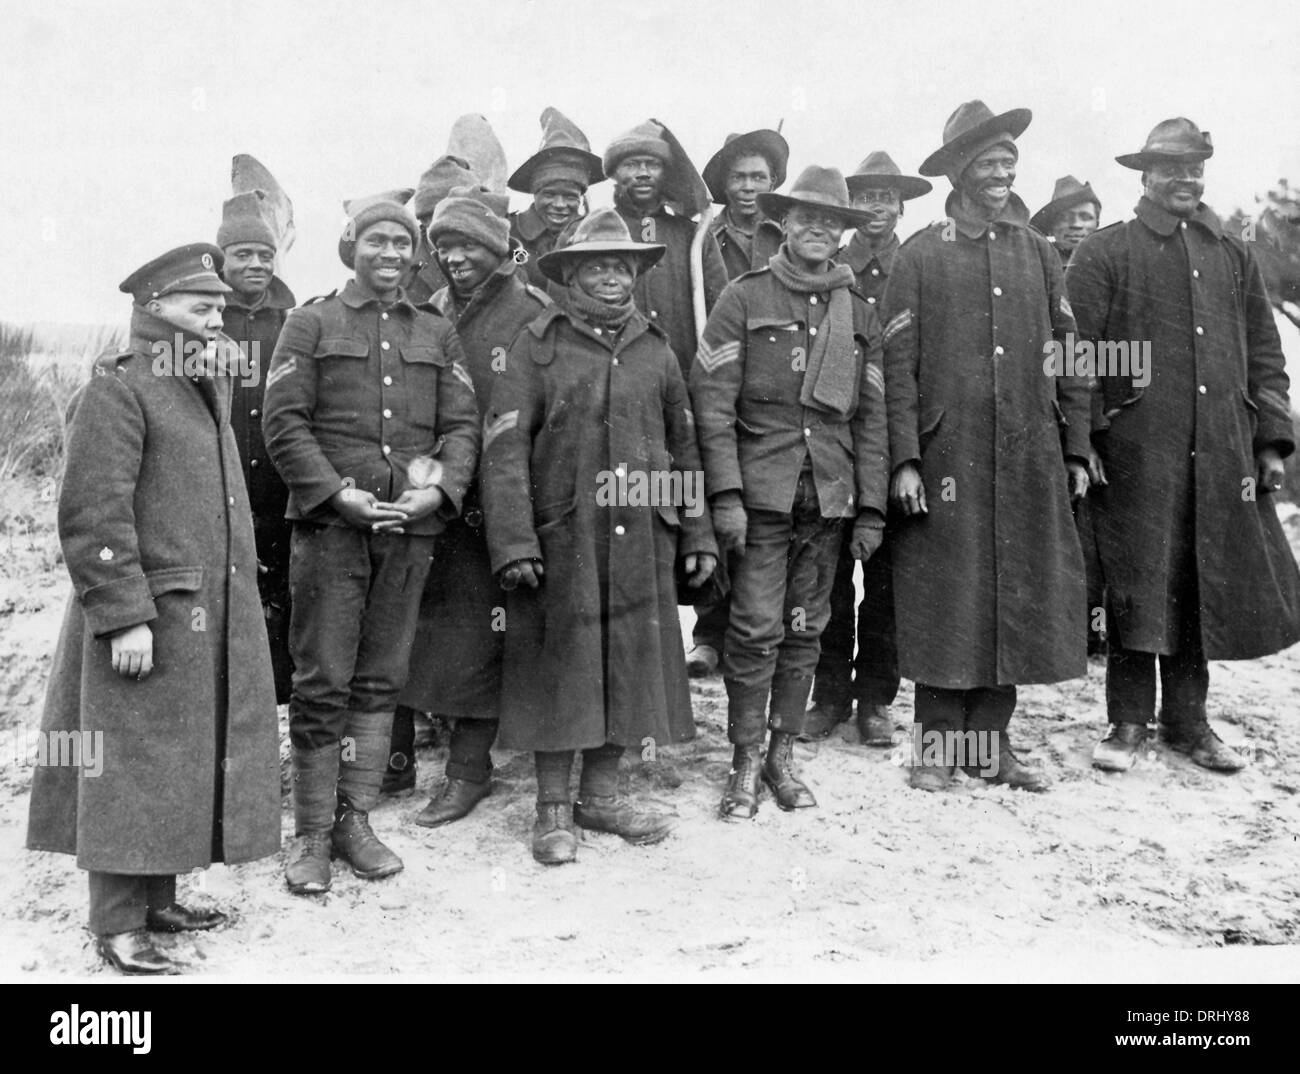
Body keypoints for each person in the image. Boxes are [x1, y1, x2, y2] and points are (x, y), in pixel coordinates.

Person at [26, 245, 282, 974]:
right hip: (144, 617)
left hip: (197, 615)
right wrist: (123, 614)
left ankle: (157, 901)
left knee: (180, 762)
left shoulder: (200, 383)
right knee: (128, 767)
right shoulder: (122, 385)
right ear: (154, 308)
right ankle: (114, 925)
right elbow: (92, 514)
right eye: (201, 309)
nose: (216, 321)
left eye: (221, 309)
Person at [481, 208, 717, 864]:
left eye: (622, 266)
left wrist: (696, 532)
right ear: (571, 277)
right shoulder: (537, 344)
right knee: (564, 669)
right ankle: (554, 808)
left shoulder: (657, 348)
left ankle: (603, 796)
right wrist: (516, 541)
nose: (613, 278)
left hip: (642, 537)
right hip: (565, 539)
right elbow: (502, 448)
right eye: (597, 266)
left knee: (628, 664)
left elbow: (685, 446)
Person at [1067, 117, 1300, 774]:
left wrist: (1270, 444)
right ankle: (1128, 722)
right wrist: (1083, 444)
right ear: (1145, 174)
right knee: (1140, 581)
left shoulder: (1230, 252)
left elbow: (1265, 353)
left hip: (1221, 450)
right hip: (1137, 453)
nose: (1186, 178)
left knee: (1201, 578)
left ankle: (1190, 722)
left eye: (1196, 166)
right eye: (1172, 167)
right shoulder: (1107, 252)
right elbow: (1072, 355)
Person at [263, 192, 480, 894]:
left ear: (415, 254)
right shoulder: (309, 322)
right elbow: (284, 424)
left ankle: (355, 818)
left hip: (409, 533)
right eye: (376, 241)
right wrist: (336, 495)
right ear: (351, 245)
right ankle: (312, 835)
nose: (390, 254)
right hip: (331, 532)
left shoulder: (436, 332)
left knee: (382, 678)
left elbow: (462, 427)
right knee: (322, 681)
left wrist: (437, 490)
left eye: (401, 243)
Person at [883, 100, 1092, 792]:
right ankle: (938, 750)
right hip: (949, 460)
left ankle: (991, 747)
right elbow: (896, 367)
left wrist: (1075, 447)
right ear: (959, 171)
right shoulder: (920, 255)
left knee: (1014, 595)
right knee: (950, 598)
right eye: (989, 161)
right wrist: (906, 458)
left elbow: (1070, 354)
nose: (1003, 171)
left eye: (1010, 160)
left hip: (1027, 454)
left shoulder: (1035, 251)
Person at [691, 166, 889, 819]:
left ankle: (783, 757)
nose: (817, 230)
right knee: (752, 630)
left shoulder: (858, 312)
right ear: (785, 224)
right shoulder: (744, 299)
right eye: (806, 218)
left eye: (830, 222)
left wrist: (871, 506)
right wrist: (723, 495)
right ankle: (744, 761)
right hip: (761, 494)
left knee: (806, 630)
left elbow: (872, 418)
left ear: (842, 234)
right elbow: (711, 407)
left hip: (829, 495)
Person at [400, 185, 550, 825]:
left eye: (467, 245)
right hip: (438, 494)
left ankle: (468, 773)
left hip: (505, 500)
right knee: (433, 631)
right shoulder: (428, 310)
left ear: (496, 247)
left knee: (487, 639)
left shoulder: (534, 312)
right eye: (444, 246)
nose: (454, 257)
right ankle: (403, 762)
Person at [803, 150, 931, 745]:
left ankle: (875, 698)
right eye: (868, 198)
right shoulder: (830, 264)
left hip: (891, 437)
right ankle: (827, 694)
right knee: (826, 581)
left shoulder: (920, 262)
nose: (879, 208)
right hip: (830, 444)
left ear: (902, 206)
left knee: (887, 584)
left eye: (889, 198)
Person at [686, 128, 790, 677]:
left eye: (759, 178)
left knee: (765, 512)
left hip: (775, 394)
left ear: (773, 184)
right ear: (723, 185)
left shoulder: (785, 235)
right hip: (718, 380)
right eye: (739, 178)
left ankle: (764, 634)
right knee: (716, 497)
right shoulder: (703, 237)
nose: (749, 187)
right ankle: (709, 632)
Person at [217, 189, 297, 702]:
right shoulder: (203, 319)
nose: (255, 265)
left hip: (276, 485)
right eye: (242, 254)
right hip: (223, 485)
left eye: (265, 255)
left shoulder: (292, 319)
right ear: (222, 259)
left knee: (280, 597)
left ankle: (276, 709)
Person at [1030, 175, 1108, 657]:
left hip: (1092, 415)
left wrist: (1092, 430)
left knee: (1092, 533)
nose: (1078, 228)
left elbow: (1101, 357)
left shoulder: (1105, 269)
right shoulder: (1037, 268)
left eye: (1087, 218)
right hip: (1045, 407)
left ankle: (1090, 629)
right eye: (1068, 219)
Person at [604, 118, 729, 378]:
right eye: (631, 164)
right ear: (615, 173)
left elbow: (722, 318)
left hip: (682, 380)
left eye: (653, 164)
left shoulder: (694, 237)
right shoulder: (595, 234)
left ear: (666, 173)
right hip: (613, 381)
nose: (643, 173)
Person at [508, 107, 605, 287]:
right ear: (535, 194)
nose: (560, 204)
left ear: (581, 198)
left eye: (570, 196)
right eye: (549, 194)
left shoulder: (596, 235)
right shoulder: (509, 235)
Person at [1030, 175, 1101, 266]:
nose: (1076, 225)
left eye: (1085, 217)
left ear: (1096, 224)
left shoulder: (1112, 264)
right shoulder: (1037, 264)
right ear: (1051, 228)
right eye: (1065, 218)